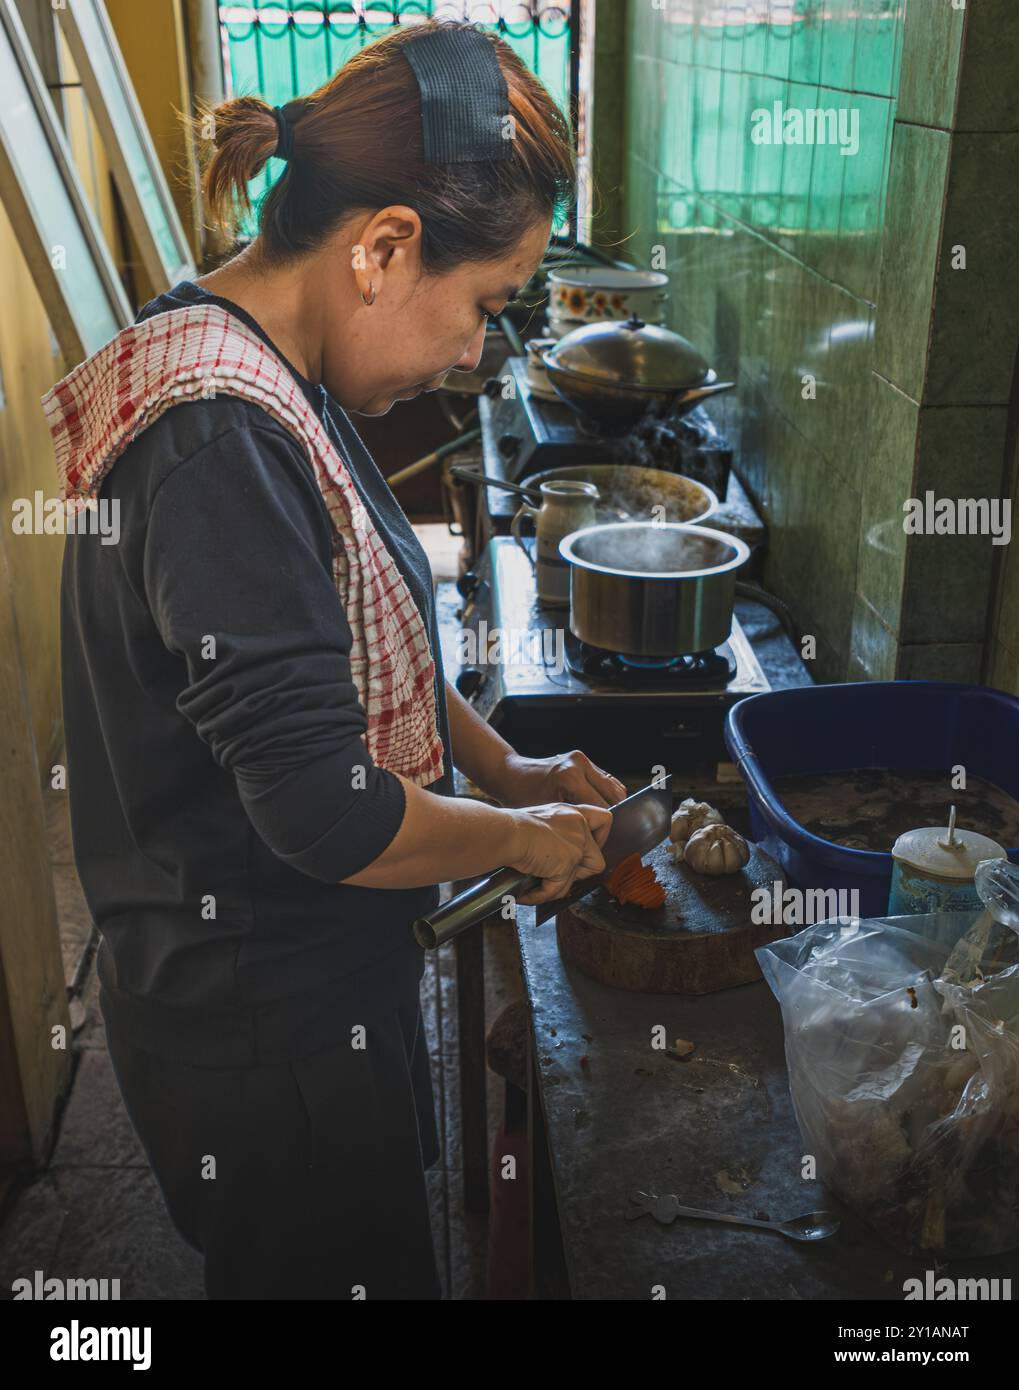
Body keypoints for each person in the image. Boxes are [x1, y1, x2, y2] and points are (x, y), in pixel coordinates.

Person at [48, 19, 624, 1300]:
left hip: (298, 978)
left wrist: (509, 772)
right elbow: (319, 805)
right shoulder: (220, 445)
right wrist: (514, 841)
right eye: (481, 307)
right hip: (261, 1020)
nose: (478, 351)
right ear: (382, 248)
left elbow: (375, 640)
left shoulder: (255, 353)